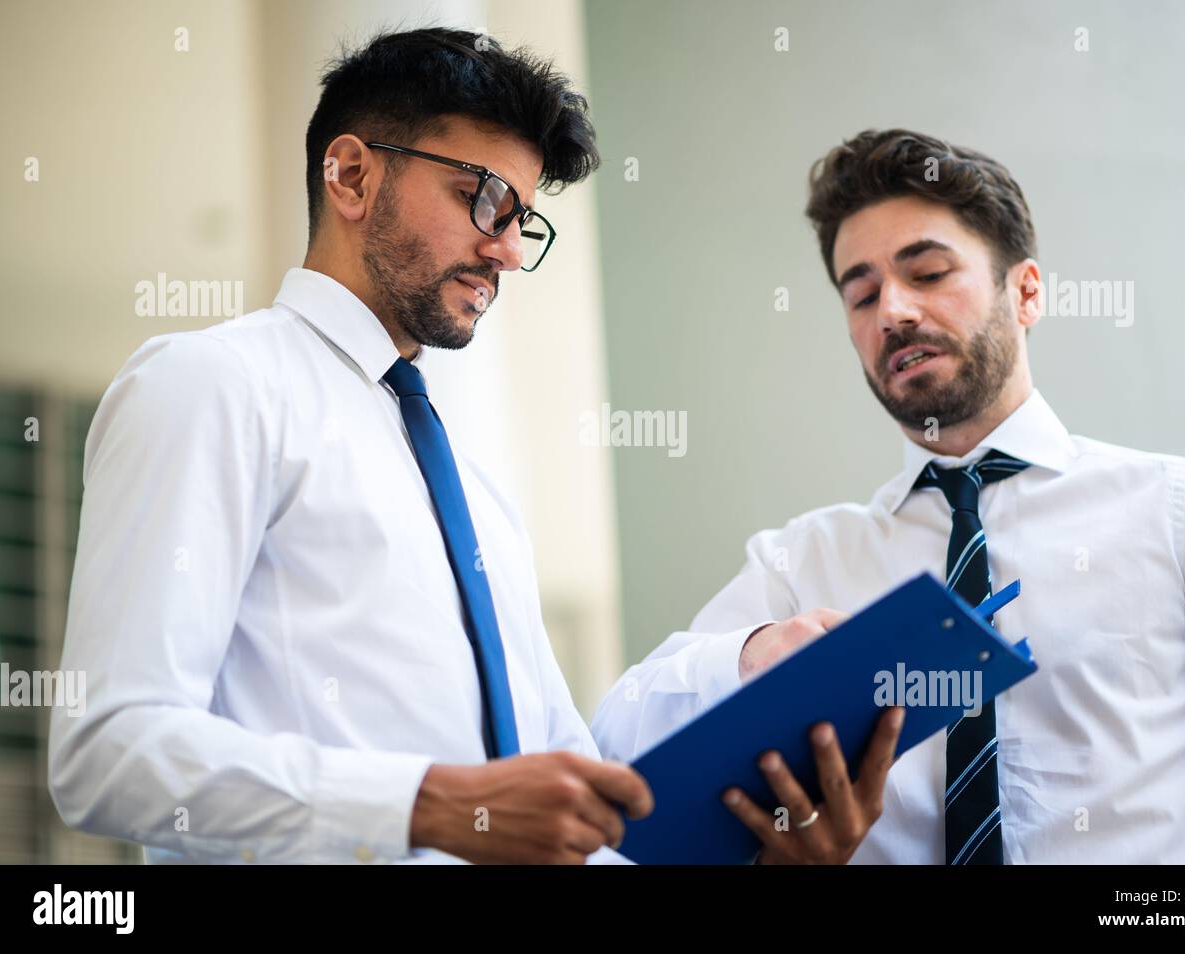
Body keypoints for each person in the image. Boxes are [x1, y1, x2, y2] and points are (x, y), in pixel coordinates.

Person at [47, 28, 891, 865]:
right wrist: (431, 805)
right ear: (350, 175)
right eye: (484, 199)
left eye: (524, 220)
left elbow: (566, 802)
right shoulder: (211, 385)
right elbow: (108, 753)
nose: (510, 251)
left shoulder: (475, 493)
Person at [592, 128, 1185, 864]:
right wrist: (756, 653)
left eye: (925, 273)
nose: (891, 310)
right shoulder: (802, 561)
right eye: (861, 292)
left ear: (1026, 291)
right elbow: (614, 739)